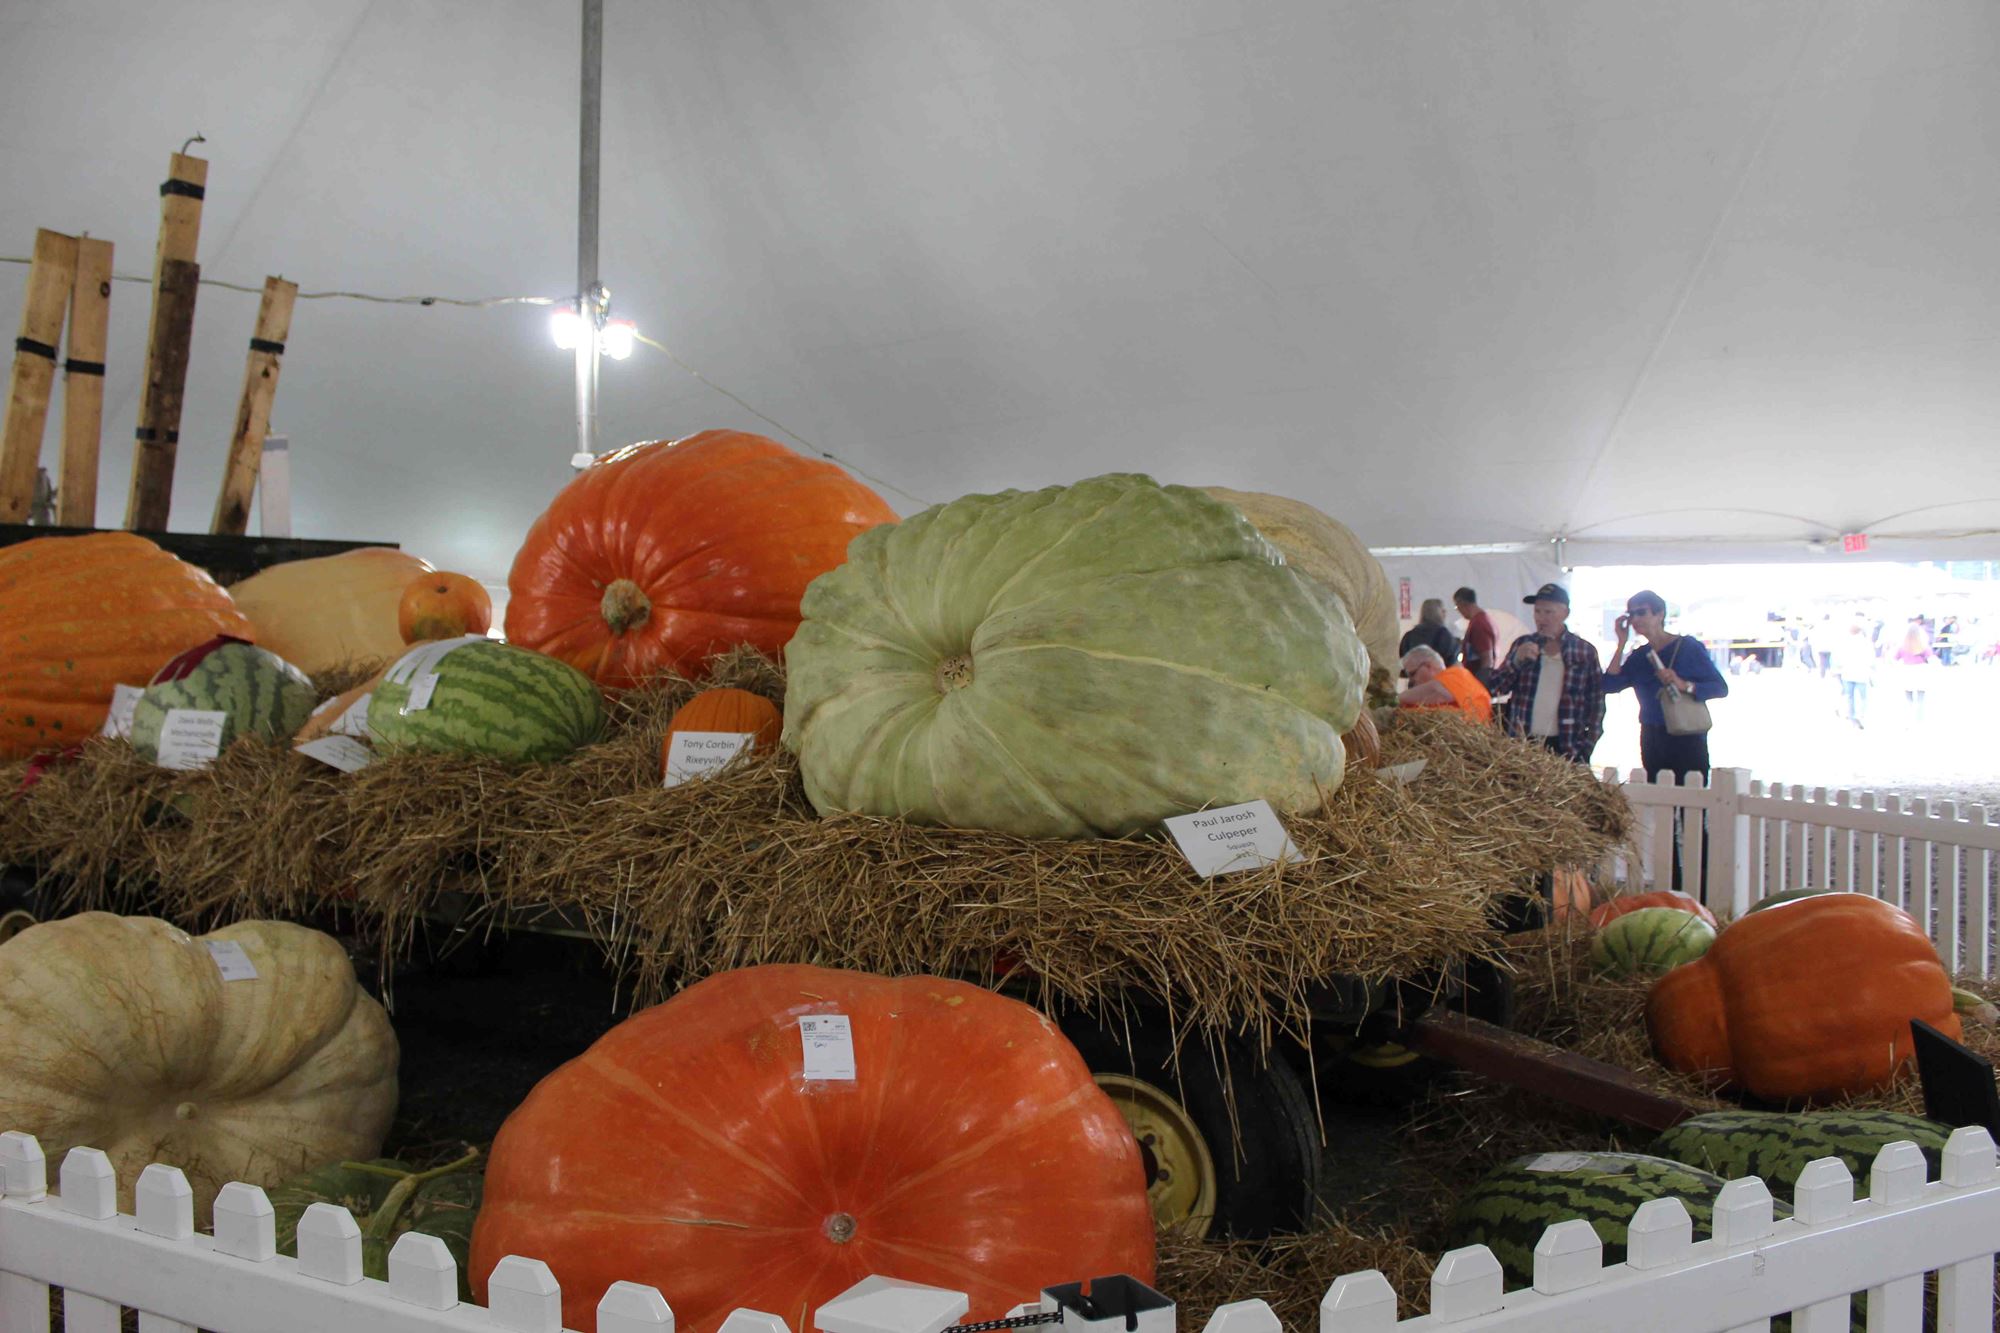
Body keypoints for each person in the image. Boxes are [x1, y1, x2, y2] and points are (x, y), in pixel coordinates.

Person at [1604, 590, 1729, 783]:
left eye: (1641, 612)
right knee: (1657, 791)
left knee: (1691, 792)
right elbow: (1609, 684)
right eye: (1631, 615)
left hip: (1687, 733)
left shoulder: (1688, 647)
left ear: (1660, 614)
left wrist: (1684, 685)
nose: (1635, 619)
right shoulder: (1639, 656)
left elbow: (1719, 688)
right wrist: (1621, 643)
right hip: (1652, 734)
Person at [1487, 583, 1604, 764]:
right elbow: (1495, 688)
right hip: (1523, 743)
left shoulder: (1584, 651)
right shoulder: (1522, 644)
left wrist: (1586, 748)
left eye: (1549, 612)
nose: (1542, 618)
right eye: (1537, 611)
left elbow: (1597, 703)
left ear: (1565, 613)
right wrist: (1515, 662)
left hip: (1567, 746)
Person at [1398, 645, 1493, 722]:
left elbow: (1439, 692)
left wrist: (1397, 698)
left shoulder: (1457, 674)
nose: (1412, 680)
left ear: (1428, 666)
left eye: (1412, 674)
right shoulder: (1421, 698)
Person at [1832, 620, 1876, 728]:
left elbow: (1838, 658)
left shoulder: (1844, 642)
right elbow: (1871, 659)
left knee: (1849, 696)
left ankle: (1850, 715)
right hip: (1862, 673)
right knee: (1862, 697)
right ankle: (1861, 715)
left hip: (1847, 673)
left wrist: (1837, 670)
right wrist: (1872, 670)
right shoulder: (1866, 643)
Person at [1397, 598, 1459, 668]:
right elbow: (1451, 657)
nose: (1445, 613)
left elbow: (1403, 658)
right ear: (1438, 613)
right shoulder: (1443, 634)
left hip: (1415, 673)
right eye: (1443, 611)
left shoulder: (1409, 636)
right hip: (1439, 672)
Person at [1453, 586, 1498, 684]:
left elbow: (1487, 659)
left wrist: (1479, 684)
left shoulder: (1479, 624)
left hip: (1476, 680)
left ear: (1462, 603)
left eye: (1457, 607)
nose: (1458, 611)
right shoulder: (1480, 621)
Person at [1893, 620, 1935, 720]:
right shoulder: (1923, 646)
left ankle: (1909, 717)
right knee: (1921, 698)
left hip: (1907, 672)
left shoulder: (1902, 647)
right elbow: (1932, 660)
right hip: (1921, 672)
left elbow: (1894, 659)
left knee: (1908, 698)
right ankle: (1919, 718)